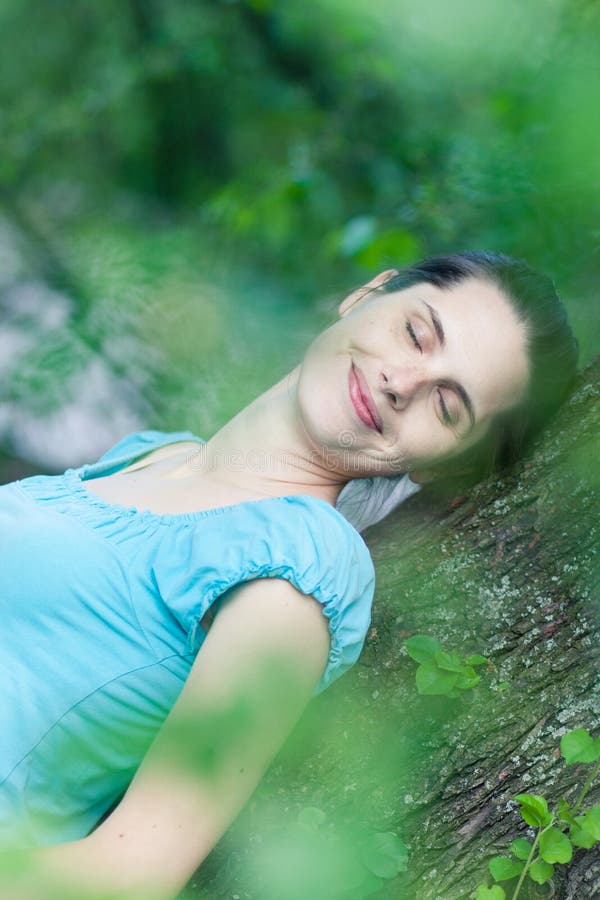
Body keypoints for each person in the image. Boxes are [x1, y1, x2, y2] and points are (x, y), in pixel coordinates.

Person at [0, 251, 578, 899]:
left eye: (447, 407)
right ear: (367, 294)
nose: (402, 382)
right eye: (416, 333)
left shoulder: (302, 565)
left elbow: (130, 875)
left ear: (447, 466)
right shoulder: (156, 455)